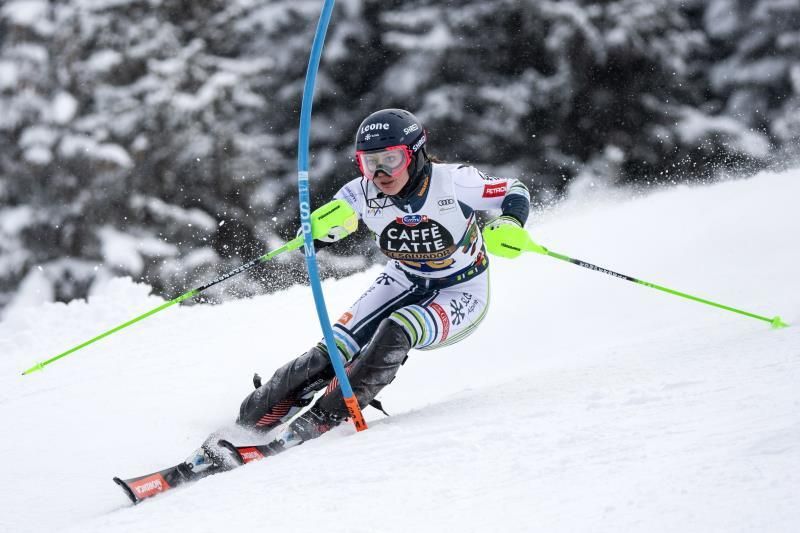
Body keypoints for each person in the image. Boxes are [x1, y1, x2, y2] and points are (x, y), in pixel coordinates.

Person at [212, 109, 532, 464]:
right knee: (330, 354)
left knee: (398, 329)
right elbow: (329, 225)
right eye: (369, 163)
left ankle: (323, 421)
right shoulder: (360, 192)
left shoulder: (455, 181)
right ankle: (244, 426)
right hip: (402, 280)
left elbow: (513, 190)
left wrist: (510, 222)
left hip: (461, 290)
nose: (379, 174)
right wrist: (315, 233)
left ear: (416, 154)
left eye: (391, 160)